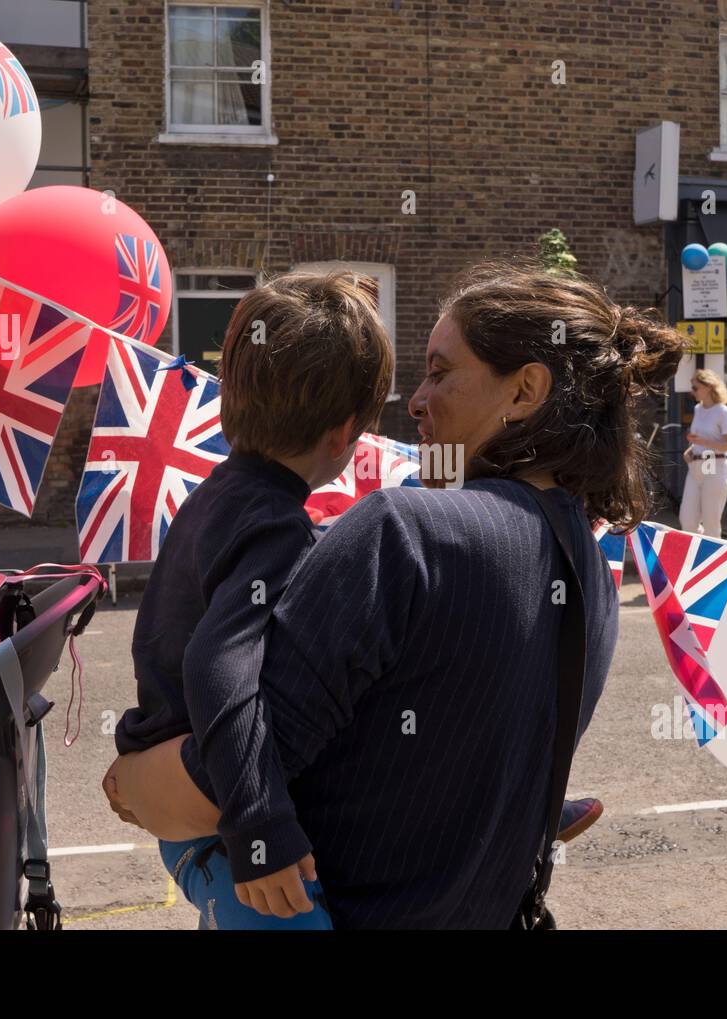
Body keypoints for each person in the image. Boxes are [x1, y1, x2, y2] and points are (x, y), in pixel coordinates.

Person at [104, 259, 684, 928]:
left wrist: (131, 780)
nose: (412, 401)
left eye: (439, 372)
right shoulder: (590, 575)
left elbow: (209, 787)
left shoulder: (401, 535)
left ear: (523, 391)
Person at [109, 271, 394, 930]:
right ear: (344, 431)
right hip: (224, 822)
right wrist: (259, 820)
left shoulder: (216, 497)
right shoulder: (274, 524)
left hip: (187, 807)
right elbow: (217, 660)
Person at [680, 368, 727, 538]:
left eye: (695, 388)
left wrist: (703, 443)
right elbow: (699, 439)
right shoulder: (698, 409)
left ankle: (711, 558)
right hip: (697, 463)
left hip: (713, 463)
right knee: (688, 521)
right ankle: (699, 551)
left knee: (711, 522)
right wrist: (690, 450)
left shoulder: (722, 412)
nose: (692, 391)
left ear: (709, 387)